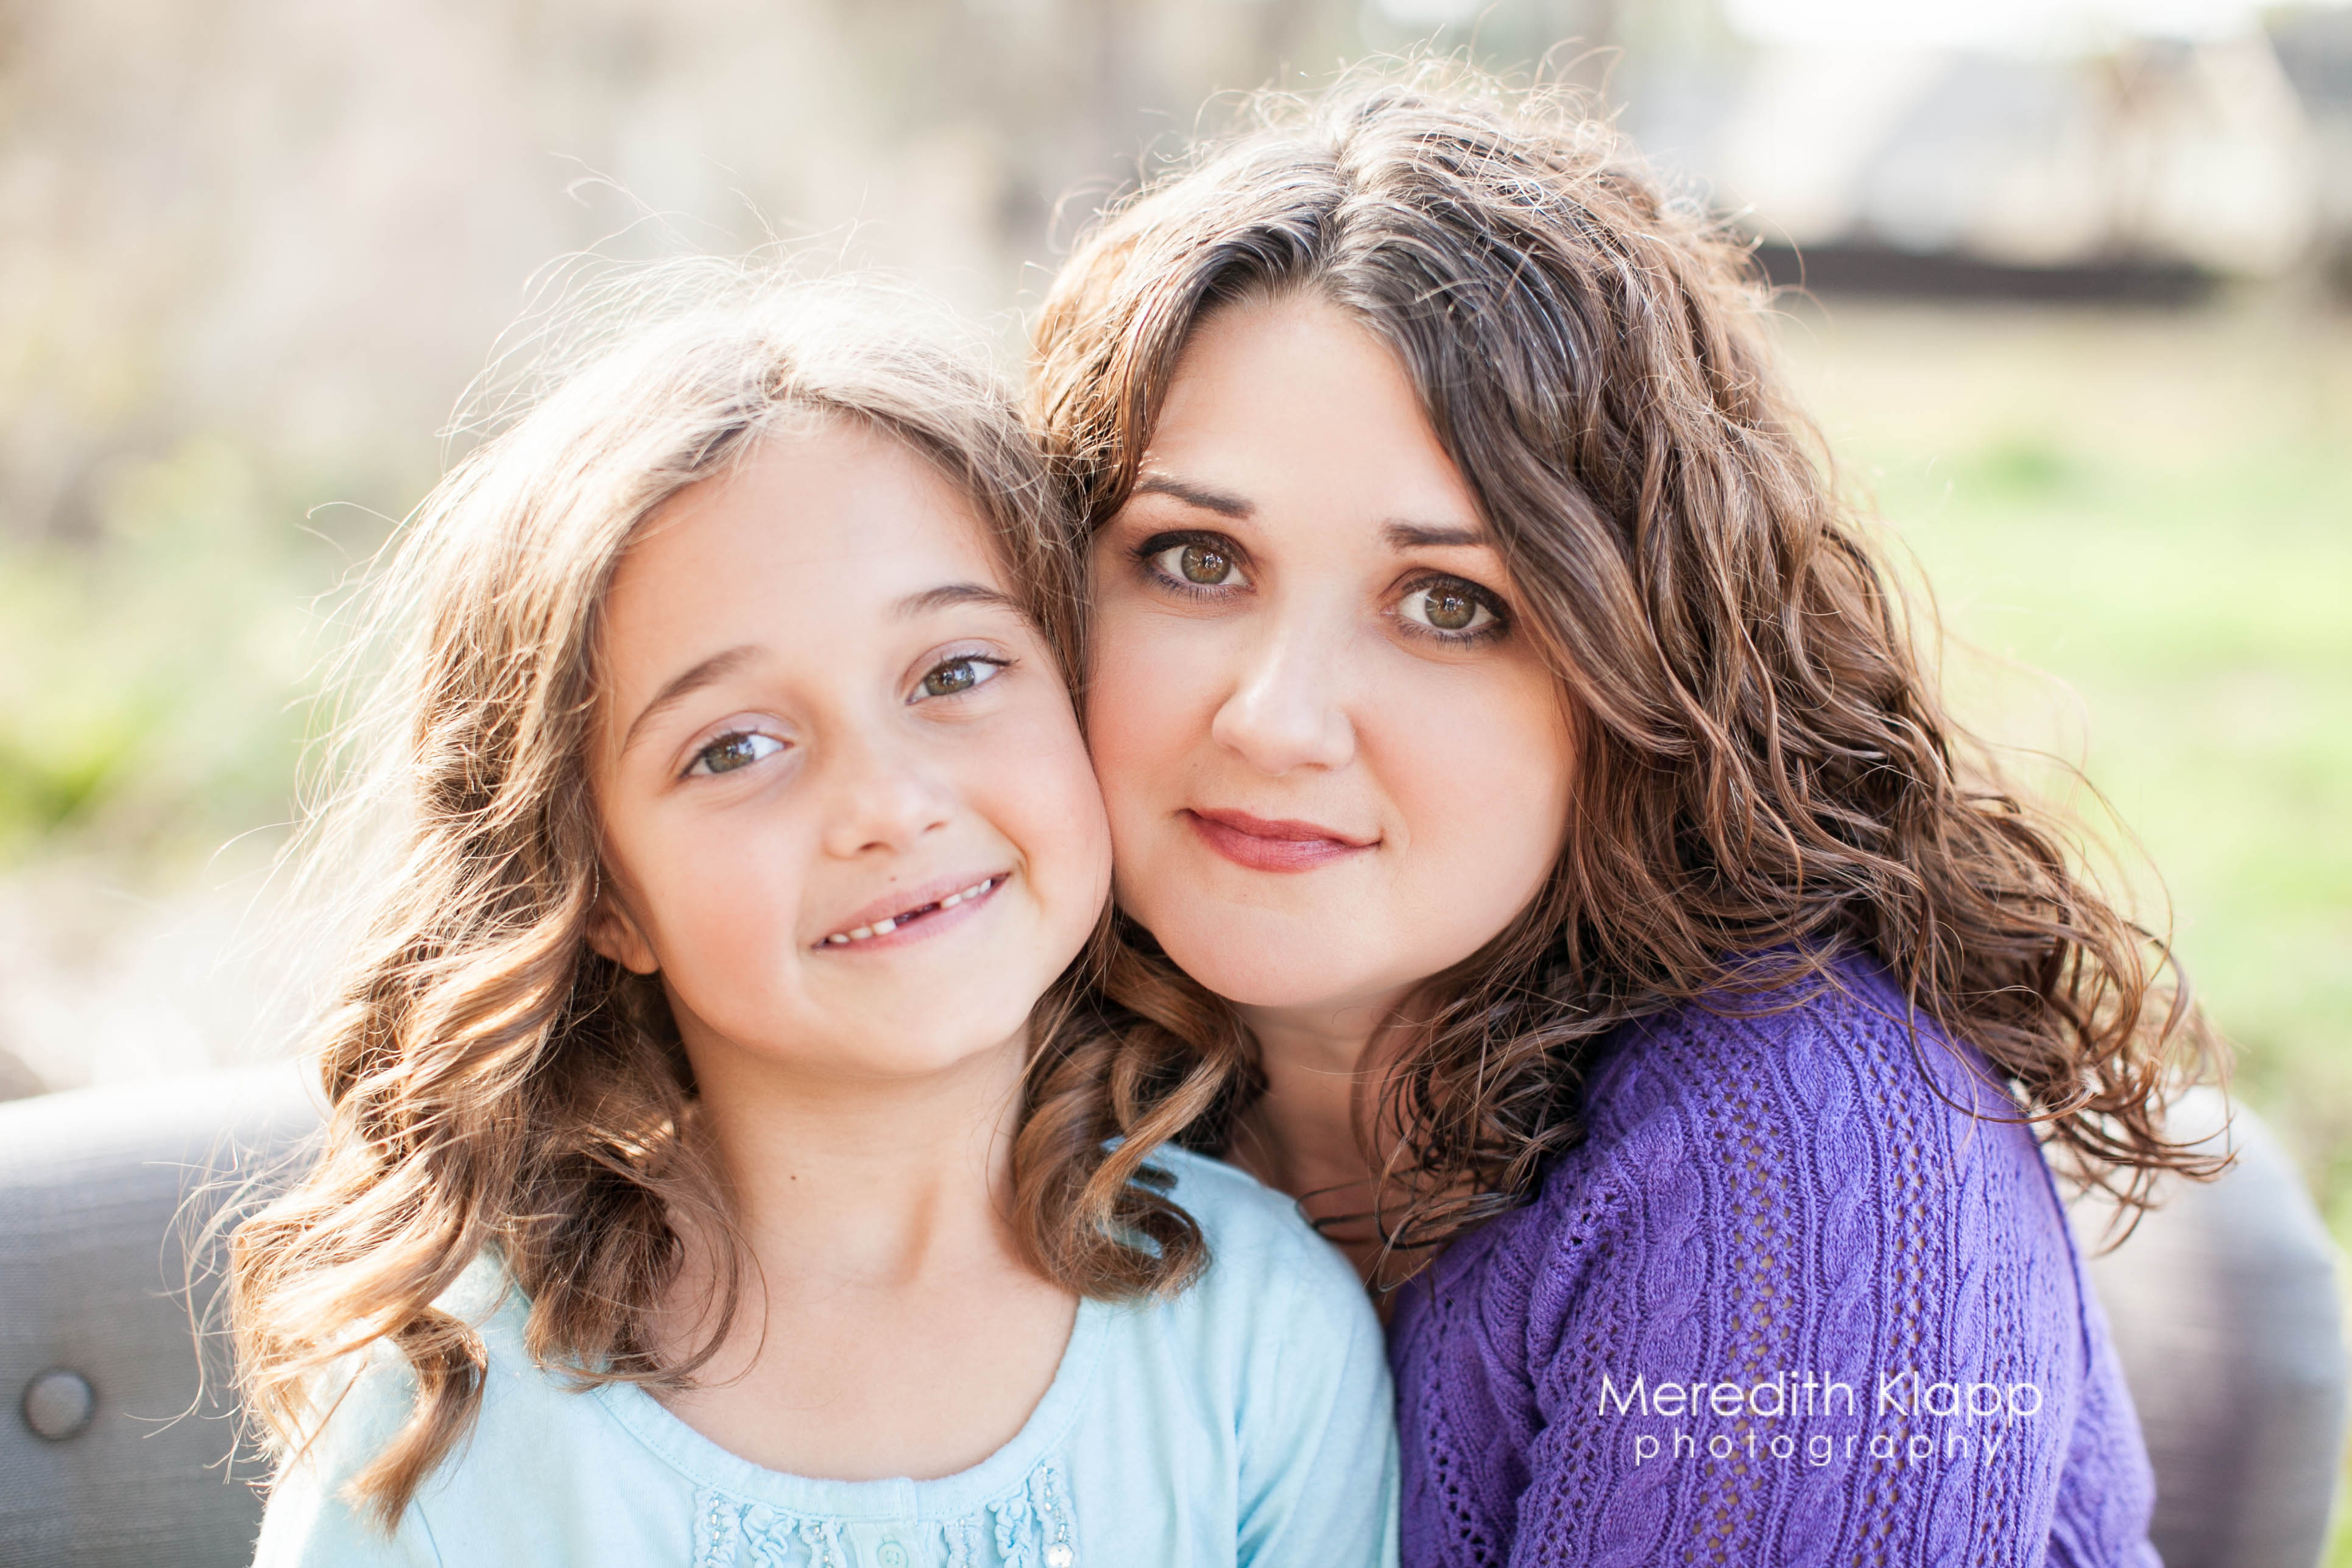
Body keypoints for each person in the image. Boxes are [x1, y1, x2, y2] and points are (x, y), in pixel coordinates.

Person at [1030, 66, 2216, 1566]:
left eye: (1448, 604)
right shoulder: (1037, 1071)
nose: (1271, 716)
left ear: (1644, 673)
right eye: (1195, 560)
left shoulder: (1801, 1171)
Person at [230, 277, 1398, 1567]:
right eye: (734, 748)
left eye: (953, 673)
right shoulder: (449, 1415)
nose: (888, 807)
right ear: (601, 891)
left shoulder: (1255, 1338)